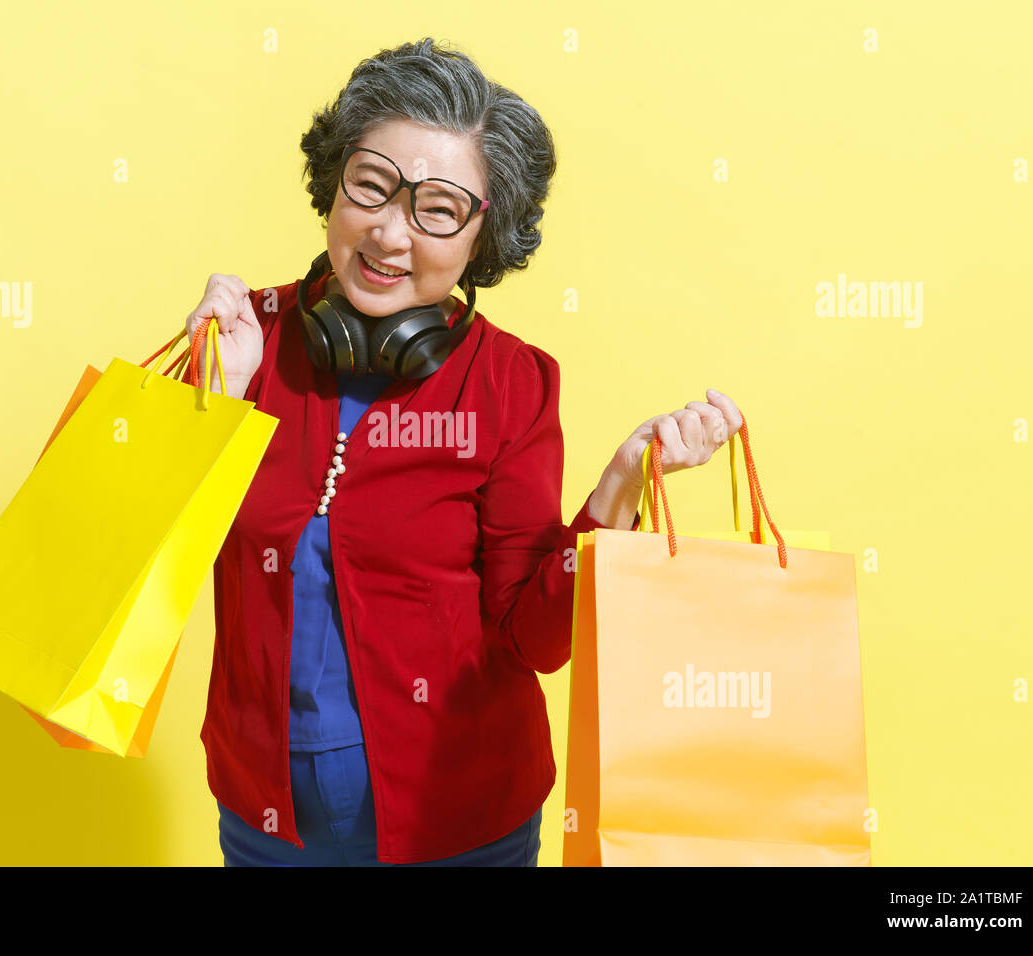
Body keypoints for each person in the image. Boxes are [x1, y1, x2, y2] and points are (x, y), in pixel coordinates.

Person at [184, 38, 742, 866]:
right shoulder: (242, 339)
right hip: (268, 820)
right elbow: (127, 566)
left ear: (484, 236)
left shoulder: (514, 384)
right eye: (371, 185)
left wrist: (620, 486)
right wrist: (206, 412)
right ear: (333, 181)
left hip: (464, 824)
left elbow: (532, 641)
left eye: (437, 209)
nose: (389, 232)